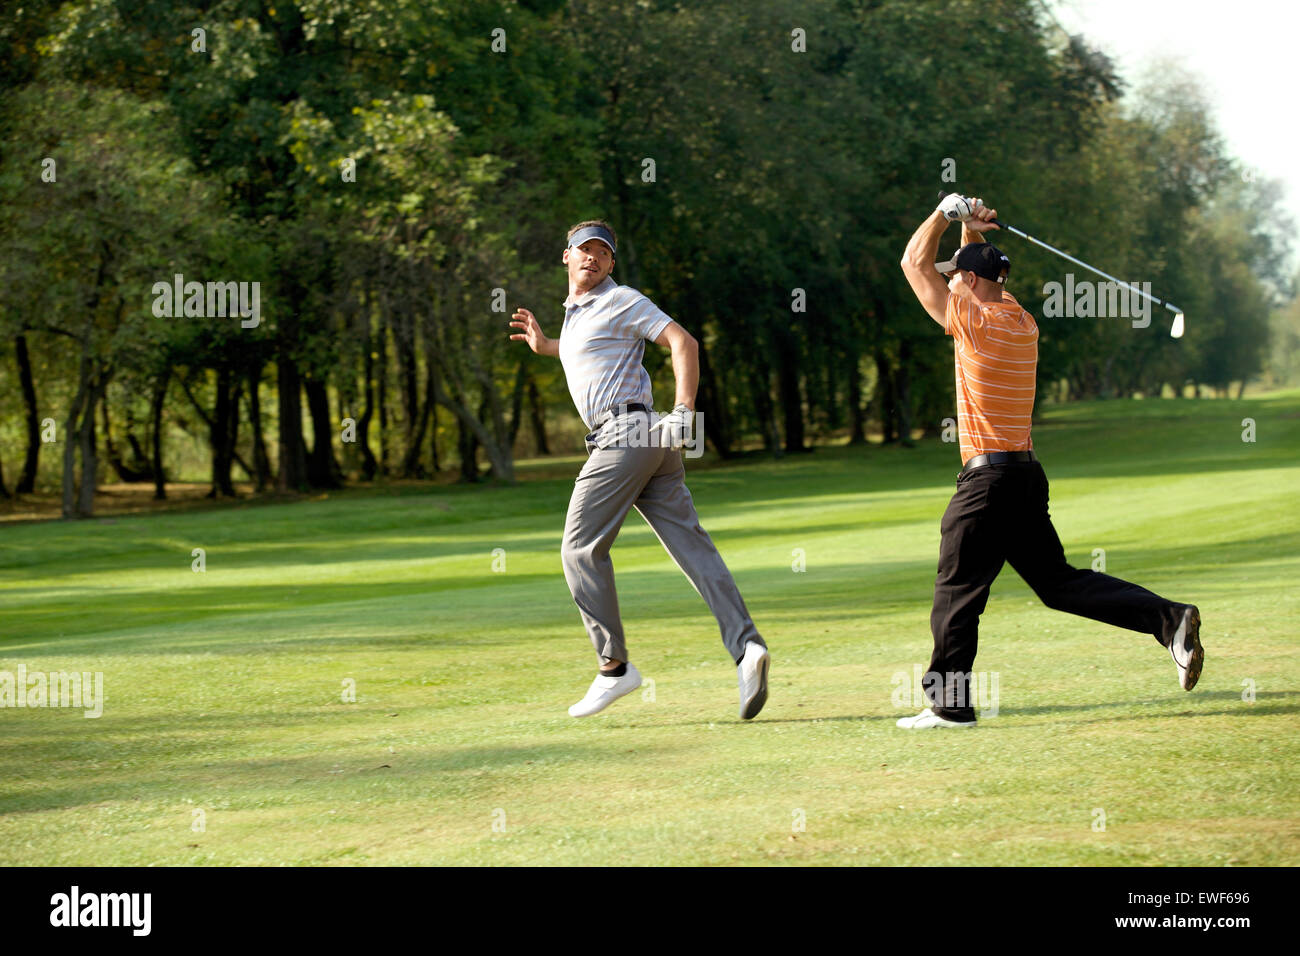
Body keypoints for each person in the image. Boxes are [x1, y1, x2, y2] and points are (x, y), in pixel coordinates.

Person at [896, 193, 1204, 729]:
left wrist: (945, 214)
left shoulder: (971, 322)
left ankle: (950, 707)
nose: (947, 283)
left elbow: (912, 263)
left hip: (986, 482)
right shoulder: (1019, 320)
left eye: (955, 279)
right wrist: (972, 230)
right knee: (1058, 583)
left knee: (956, 590)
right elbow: (973, 269)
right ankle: (1169, 619)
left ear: (967, 284)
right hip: (1023, 477)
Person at [509, 219, 769, 719]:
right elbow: (587, 352)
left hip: (628, 434)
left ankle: (614, 669)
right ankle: (747, 649)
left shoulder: (621, 298)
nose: (592, 258)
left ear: (610, 263)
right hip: (649, 442)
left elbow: (684, 342)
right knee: (693, 547)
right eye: (583, 250)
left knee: (579, 548)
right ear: (566, 257)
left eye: (602, 253)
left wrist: (684, 414)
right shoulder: (577, 315)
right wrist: (545, 346)